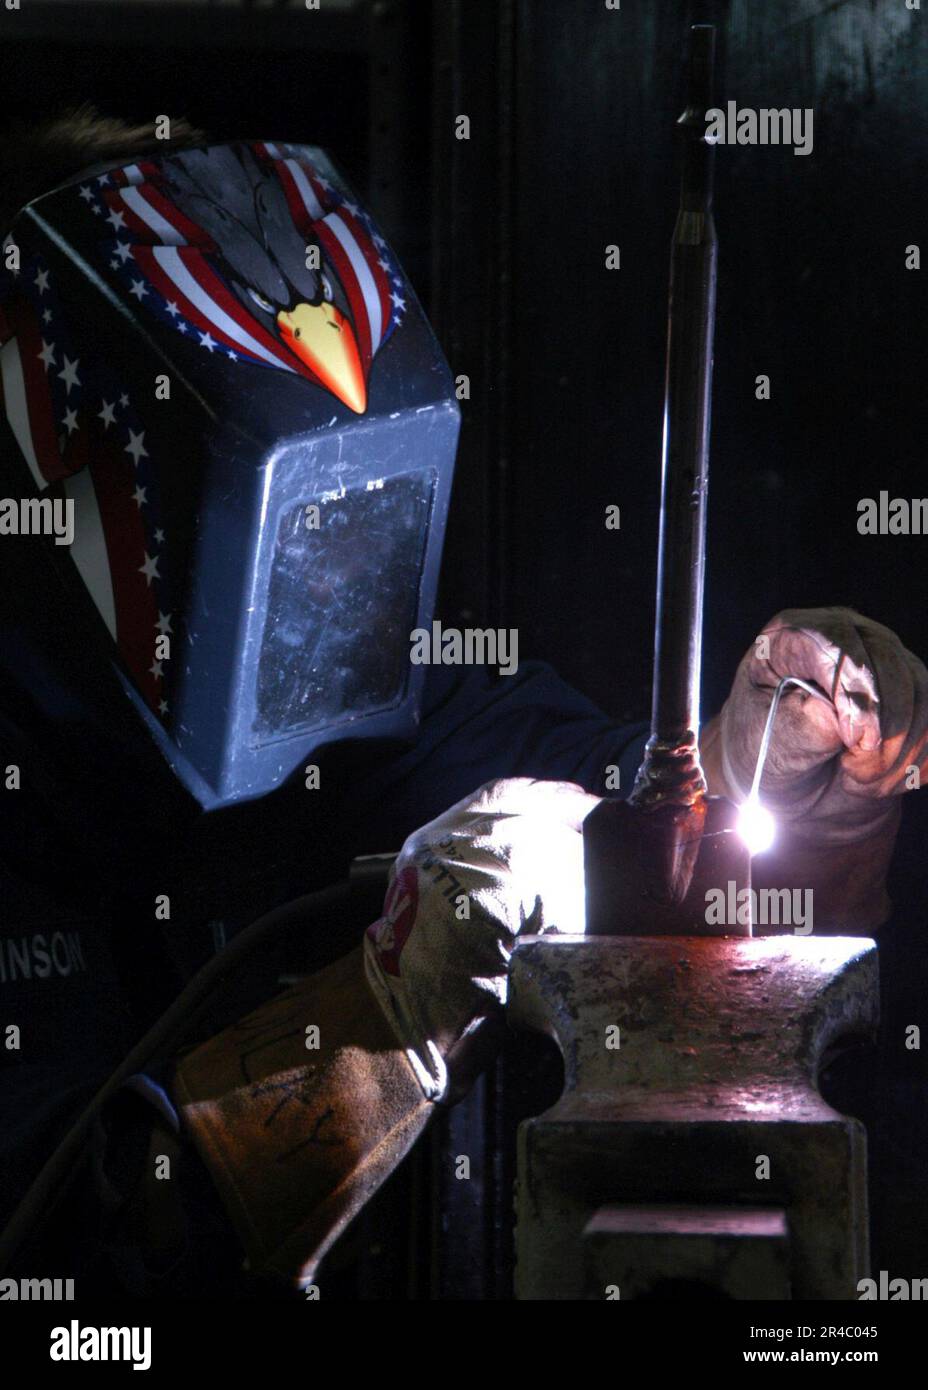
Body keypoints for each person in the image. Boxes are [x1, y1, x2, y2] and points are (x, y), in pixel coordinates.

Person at [1, 114, 926, 1298]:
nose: (329, 590)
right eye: (294, 531)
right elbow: (79, 1262)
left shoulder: (368, 697)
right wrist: (384, 1013)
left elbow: (659, 837)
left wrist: (780, 782)